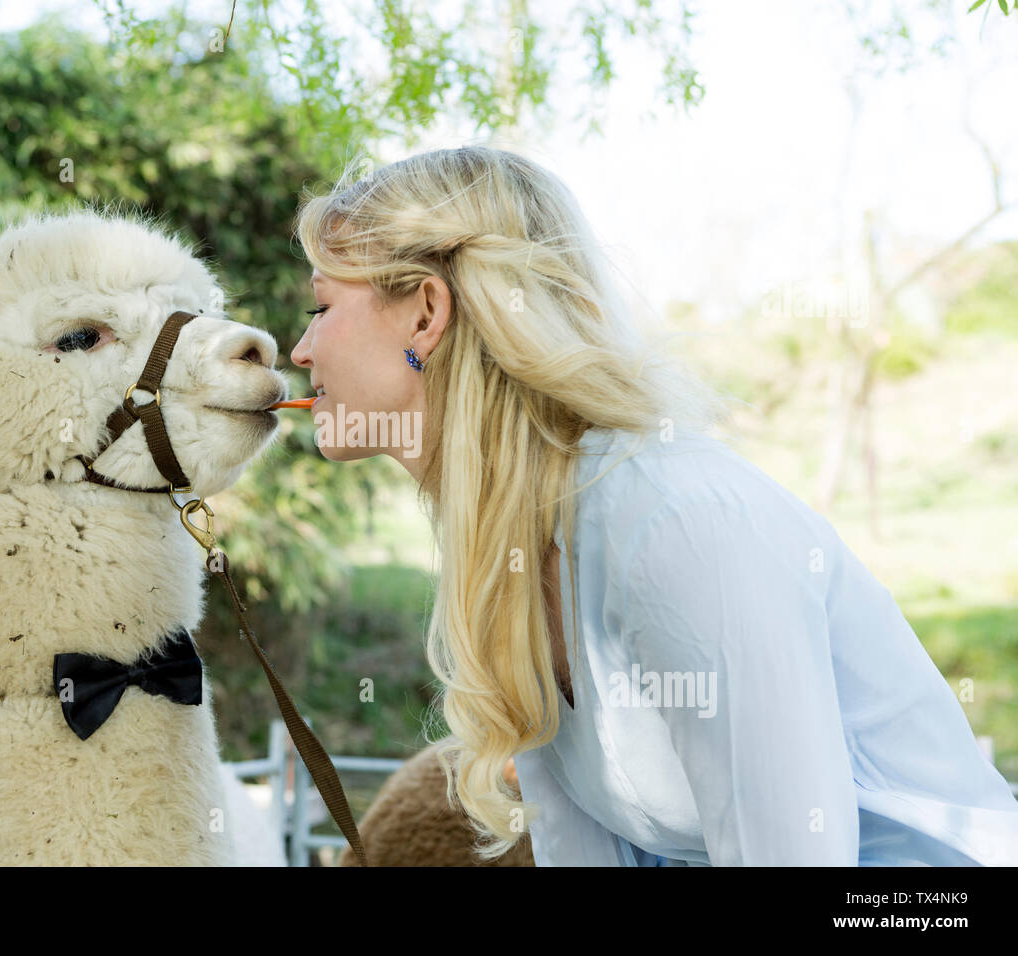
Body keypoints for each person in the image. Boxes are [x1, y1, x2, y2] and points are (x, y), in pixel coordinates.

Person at [286, 143, 1018, 866]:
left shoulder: (676, 524)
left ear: (425, 315)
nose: (300, 351)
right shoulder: (511, 548)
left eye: (321, 307)